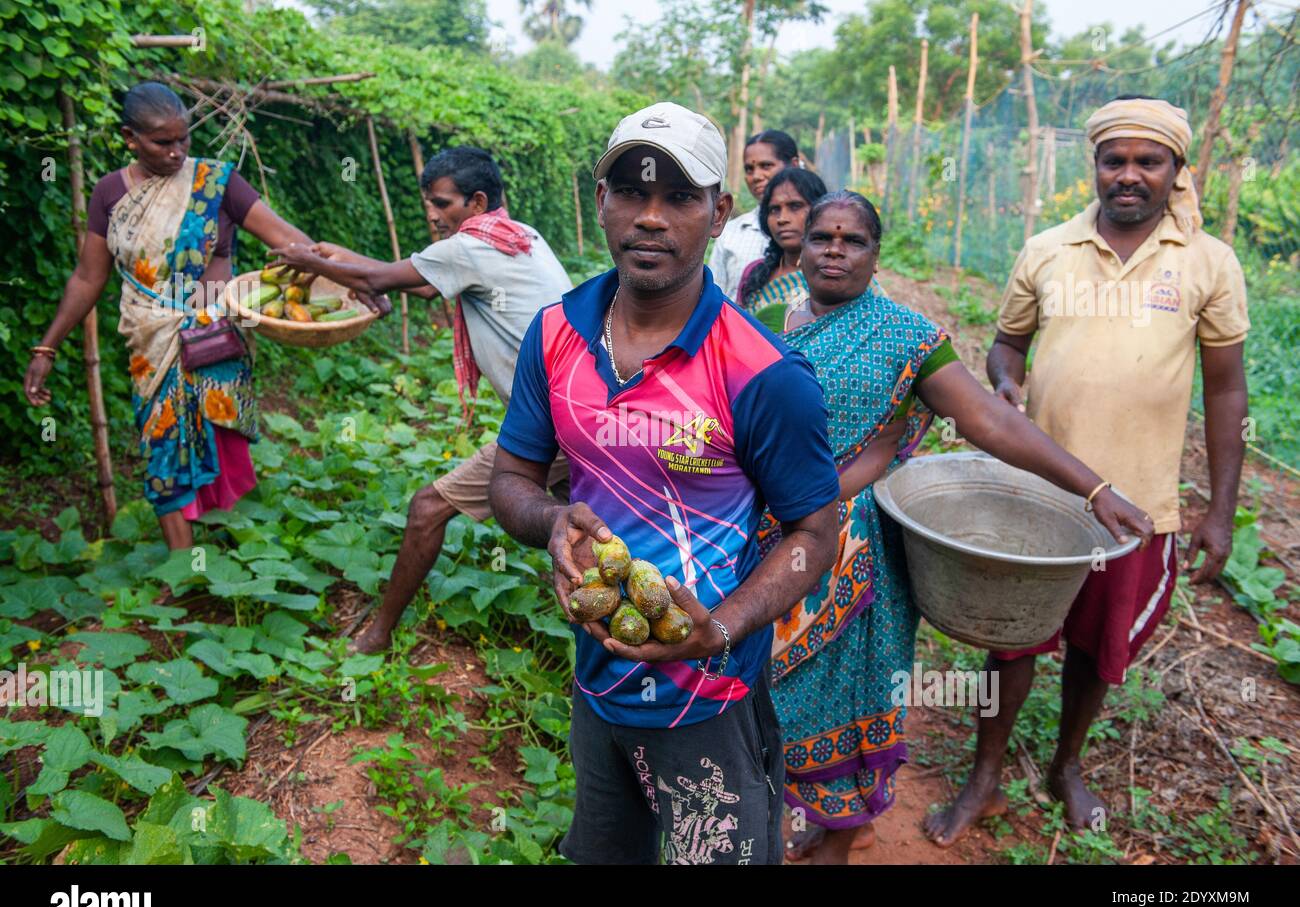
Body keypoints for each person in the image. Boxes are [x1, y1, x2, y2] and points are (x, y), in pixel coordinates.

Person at [488, 102, 843, 865]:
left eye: (678, 198)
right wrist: (550, 522)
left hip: (707, 696)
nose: (650, 218)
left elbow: (818, 532)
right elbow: (512, 479)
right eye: (631, 192)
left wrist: (719, 625)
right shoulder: (555, 334)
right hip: (598, 678)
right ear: (601, 201)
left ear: (718, 213)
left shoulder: (762, 374)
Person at [762, 191, 1154, 864]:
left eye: (852, 239)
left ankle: (839, 826)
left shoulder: (907, 336)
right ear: (801, 244)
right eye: (821, 235)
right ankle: (806, 809)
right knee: (773, 690)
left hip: (858, 562)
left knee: (847, 702)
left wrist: (1093, 487)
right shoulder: (766, 322)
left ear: (874, 254)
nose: (833, 248)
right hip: (770, 541)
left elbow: (993, 421)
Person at [925, 96, 1249, 847]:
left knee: (1095, 649)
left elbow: (1227, 388)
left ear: (1175, 169)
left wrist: (1221, 513)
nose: (1129, 175)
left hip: (1137, 504)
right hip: (1037, 494)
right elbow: (1007, 344)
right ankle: (985, 775)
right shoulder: (1048, 249)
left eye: (1148, 161)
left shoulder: (1208, 261)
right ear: (1094, 165)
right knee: (1009, 641)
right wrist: (1006, 380)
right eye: (1115, 160)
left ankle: (1066, 764)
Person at [270, 146, 573, 654]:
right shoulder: (519, 236)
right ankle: (614, 636)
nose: (432, 214)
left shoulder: (468, 249)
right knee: (582, 522)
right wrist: (334, 256)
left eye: (441, 203)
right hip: (581, 410)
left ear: (475, 202)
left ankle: (377, 634)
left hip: (551, 424)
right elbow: (409, 278)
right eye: (427, 202)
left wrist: (308, 259)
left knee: (427, 508)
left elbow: (379, 279)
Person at [23, 82, 317, 549]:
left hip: (213, 340)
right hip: (151, 345)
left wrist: (352, 280)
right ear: (130, 137)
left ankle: (233, 564)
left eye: (184, 140)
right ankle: (183, 570)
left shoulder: (217, 181)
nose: (177, 152)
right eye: (163, 143)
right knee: (162, 444)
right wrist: (47, 346)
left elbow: (288, 240)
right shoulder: (110, 194)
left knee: (220, 443)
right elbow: (87, 278)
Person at [708, 129, 799, 300]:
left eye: (766, 166)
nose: (756, 176)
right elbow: (715, 298)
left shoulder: (819, 229)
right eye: (749, 169)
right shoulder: (731, 233)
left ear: (793, 165)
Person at [737, 167, 827, 333]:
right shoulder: (755, 273)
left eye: (795, 206)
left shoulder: (837, 273)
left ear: (820, 211)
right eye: (774, 210)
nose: (782, 219)